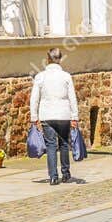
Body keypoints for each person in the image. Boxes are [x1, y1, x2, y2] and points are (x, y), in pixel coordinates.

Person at [29, 47, 79, 186]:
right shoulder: (66, 76)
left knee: (51, 145)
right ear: (60, 59)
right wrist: (75, 116)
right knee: (63, 144)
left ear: (48, 59)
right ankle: (66, 173)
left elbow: (34, 99)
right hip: (64, 114)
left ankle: (53, 176)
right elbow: (72, 98)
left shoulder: (40, 77)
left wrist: (34, 118)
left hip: (47, 115)